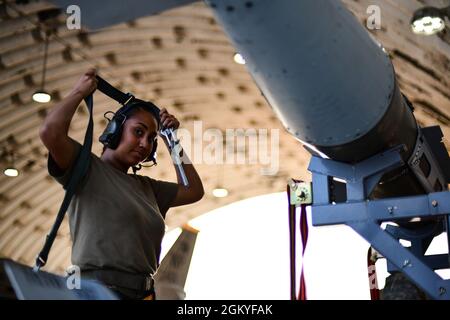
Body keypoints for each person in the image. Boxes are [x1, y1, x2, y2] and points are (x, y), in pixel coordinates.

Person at [39, 68, 204, 299]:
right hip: (96, 292)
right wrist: (78, 92)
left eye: (151, 139)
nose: (145, 144)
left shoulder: (148, 188)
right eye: (138, 132)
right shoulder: (86, 167)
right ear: (114, 130)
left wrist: (171, 139)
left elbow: (193, 190)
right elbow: (51, 132)